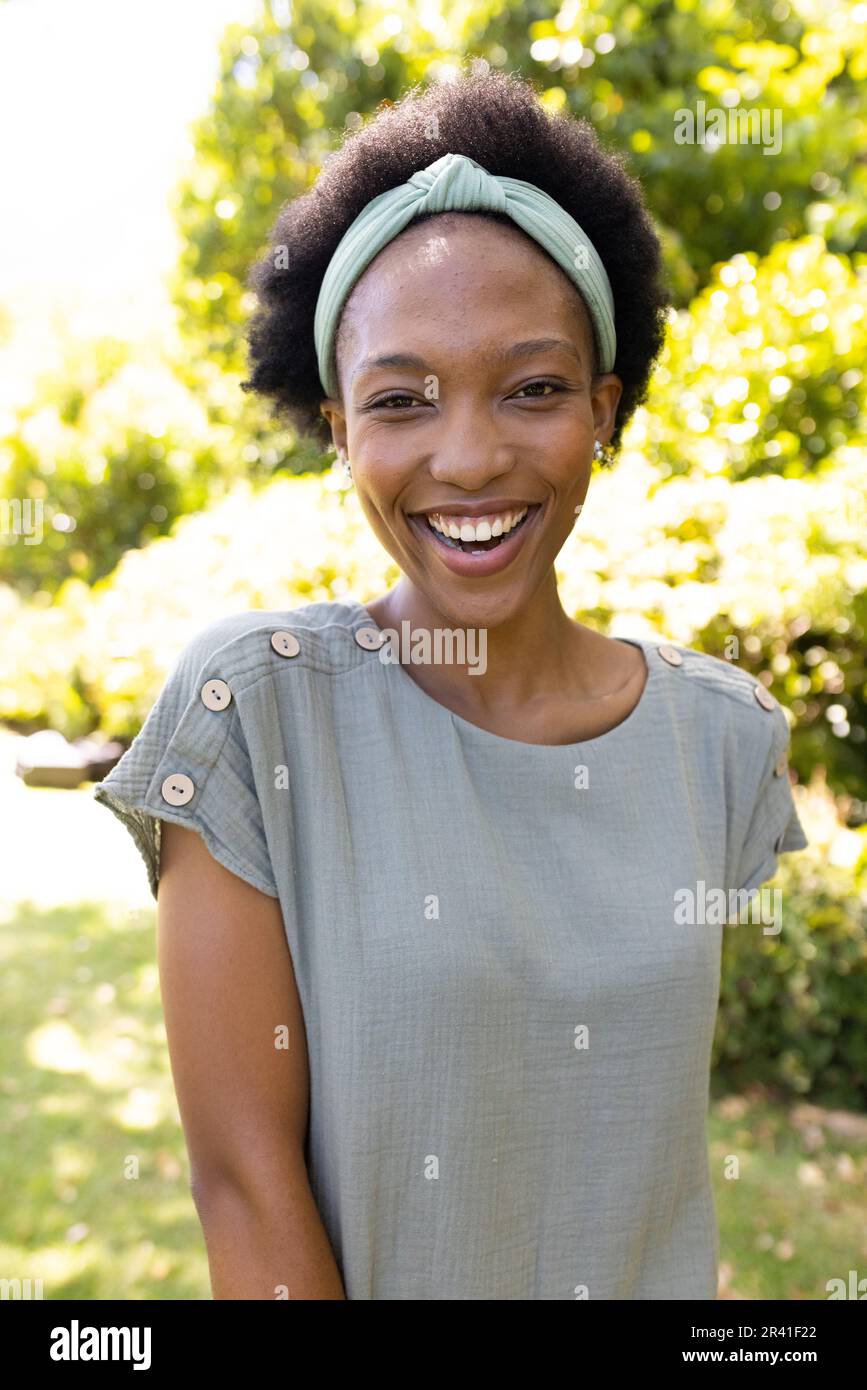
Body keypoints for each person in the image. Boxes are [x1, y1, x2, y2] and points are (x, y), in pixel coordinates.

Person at [93, 64, 808, 1300]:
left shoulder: (722, 738)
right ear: (338, 429)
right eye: (402, 399)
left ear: (604, 408)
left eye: (532, 389)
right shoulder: (251, 715)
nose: (468, 457)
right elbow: (245, 1182)